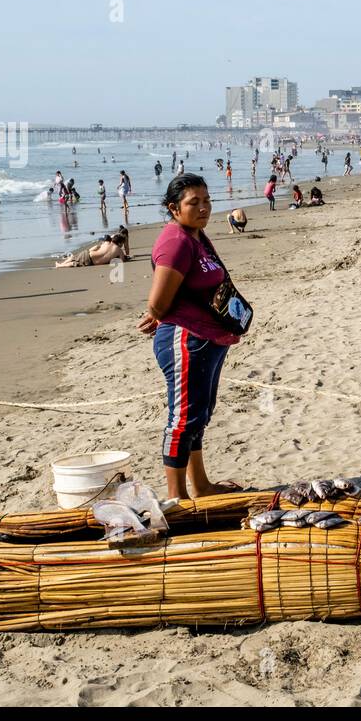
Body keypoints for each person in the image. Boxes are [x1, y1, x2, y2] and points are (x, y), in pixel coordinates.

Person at [139, 173, 243, 499]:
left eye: (207, 200)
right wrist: (159, 316)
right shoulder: (176, 242)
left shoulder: (196, 236)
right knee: (182, 418)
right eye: (193, 202)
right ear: (174, 208)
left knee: (199, 414)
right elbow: (156, 302)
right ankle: (176, 496)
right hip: (186, 340)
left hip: (207, 339)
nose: (203, 207)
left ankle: (200, 485)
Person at [55, 232, 130, 267]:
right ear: (120, 243)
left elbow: (98, 247)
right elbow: (122, 260)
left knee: (73, 258)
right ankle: (61, 265)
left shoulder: (107, 243)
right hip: (91, 262)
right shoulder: (119, 251)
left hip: (89, 254)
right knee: (74, 263)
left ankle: (61, 264)